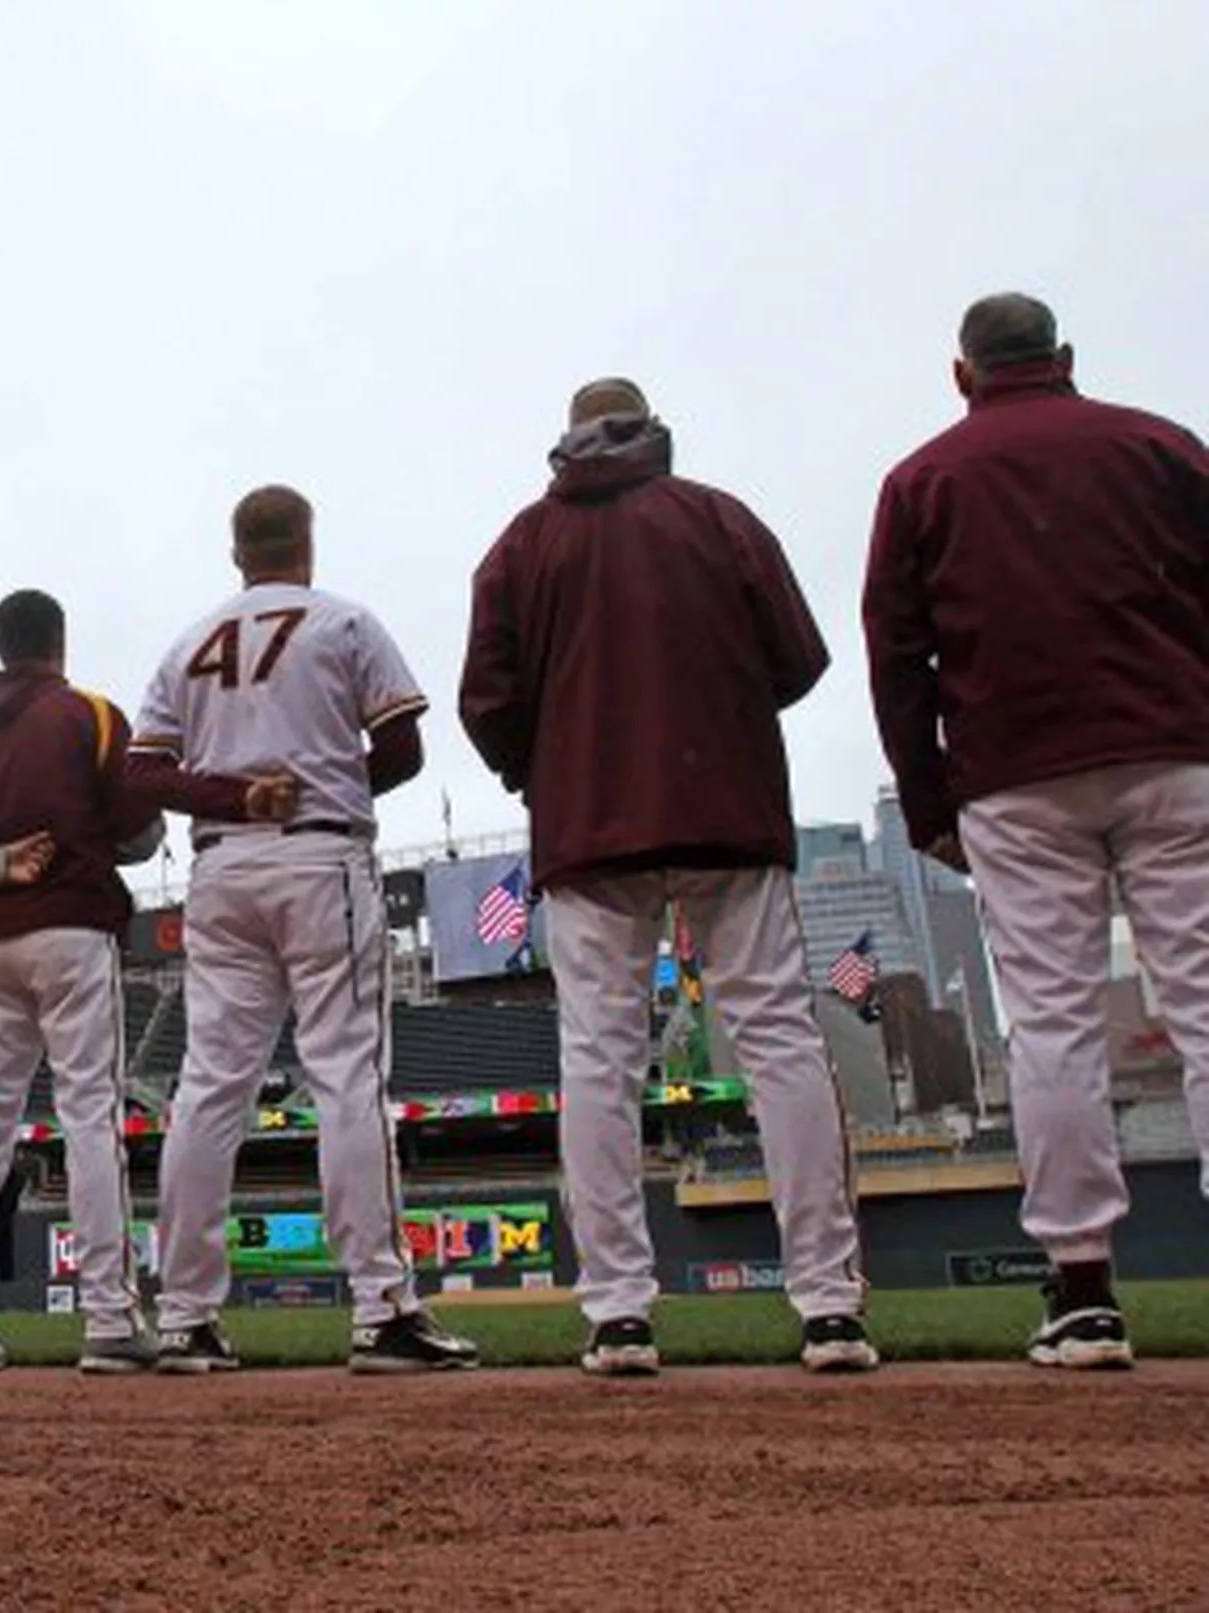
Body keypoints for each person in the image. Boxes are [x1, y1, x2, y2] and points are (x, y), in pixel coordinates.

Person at [461, 378, 877, 1377]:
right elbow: (798, 660)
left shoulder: (521, 544)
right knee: (776, 1039)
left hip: (587, 825)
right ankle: (827, 1306)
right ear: (651, 429)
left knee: (597, 1059)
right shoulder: (716, 516)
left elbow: (486, 701)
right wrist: (715, 713)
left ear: (564, 438)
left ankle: (615, 1312)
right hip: (724, 807)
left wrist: (550, 758)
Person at [864, 293, 1209, 1370]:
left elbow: (895, 658)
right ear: (1061, 356)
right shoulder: (1158, 445)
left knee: (1051, 1025)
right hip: (1174, 746)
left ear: (960, 373)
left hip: (1012, 775)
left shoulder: (921, 478)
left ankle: (1081, 1289)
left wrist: (926, 804)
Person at [128, 485, 478, 1374]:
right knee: (346, 1076)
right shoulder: (343, 621)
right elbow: (402, 750)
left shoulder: (192, 640)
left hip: (221, 868)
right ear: (306, 542)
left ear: (237, 550)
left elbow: (143, 774)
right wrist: (322, 782)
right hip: (320, 858)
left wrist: (234, 794)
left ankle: (184, 1315)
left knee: (210, 1087)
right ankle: (382, 1307)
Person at [0, 589, 272, 1375]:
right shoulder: (90, 715)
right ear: (58, 645)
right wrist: (84, 830)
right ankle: (108, 1317)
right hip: (72, 931)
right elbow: (141, 832)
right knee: (89, 1118)